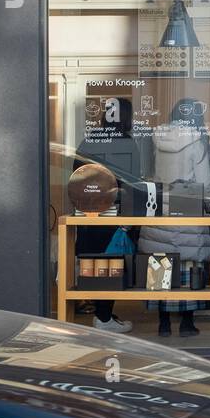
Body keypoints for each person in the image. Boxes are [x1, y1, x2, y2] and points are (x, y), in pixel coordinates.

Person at [137, 98, 210, 338]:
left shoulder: (155, 140)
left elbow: (145, 173)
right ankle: (187, 322)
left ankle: (164, 322)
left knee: (160, 259)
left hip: (159, 206)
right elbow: (204, 182)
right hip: (188, 207)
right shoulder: (197, 143)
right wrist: (208, 198)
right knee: (189, 264)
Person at [73, 96, 140, 334]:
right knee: (112, 263)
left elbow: (76, 175)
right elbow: (133, 182)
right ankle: (103, 317)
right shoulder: (127, 143)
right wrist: (130, 218)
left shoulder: (90, 140)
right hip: (113, 212)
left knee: (94, 262)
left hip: (88, 212)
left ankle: (102, 313)